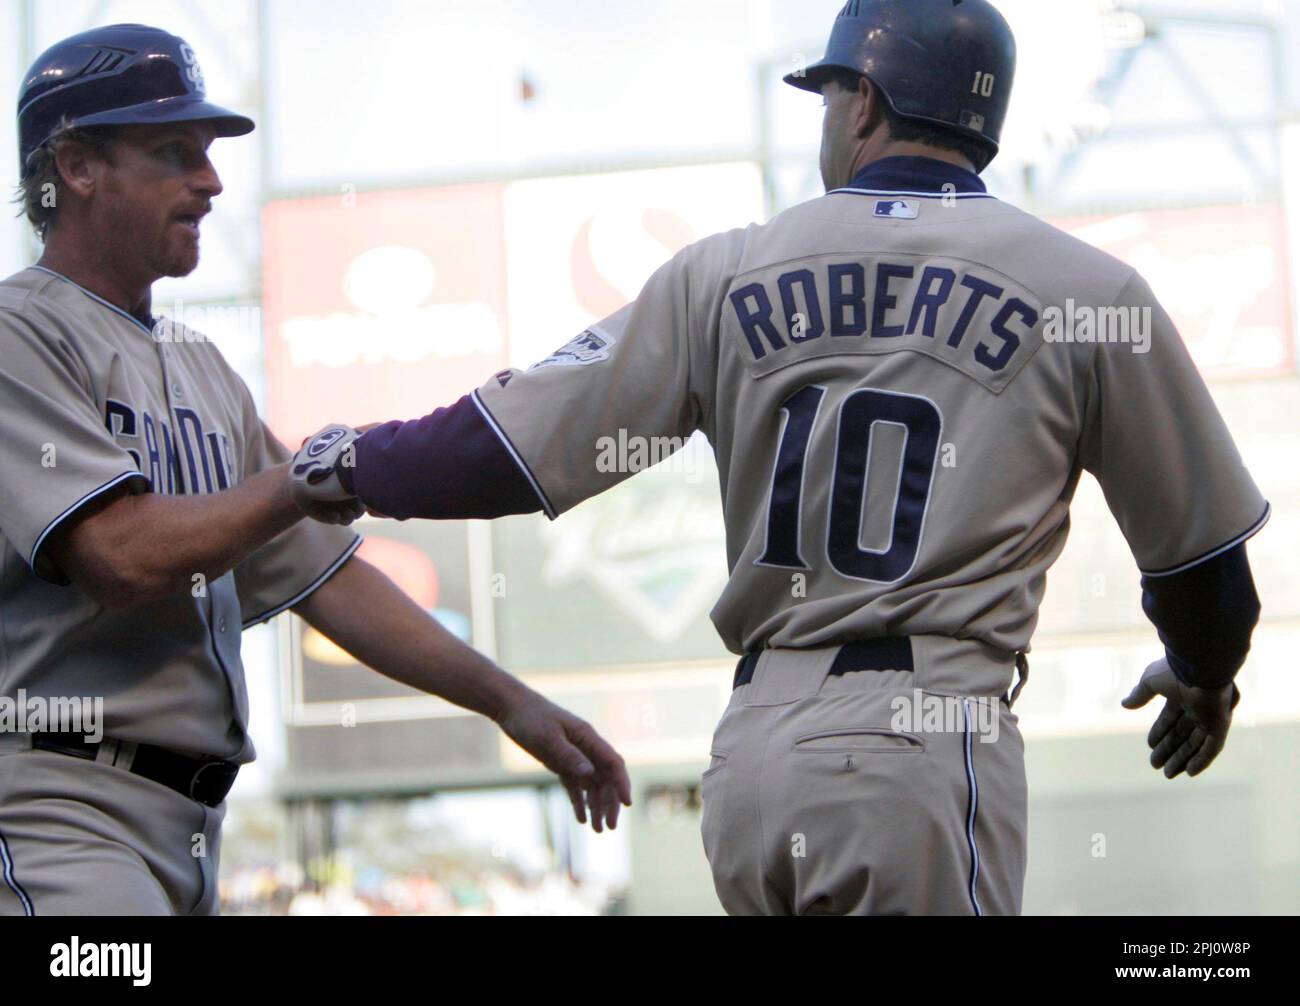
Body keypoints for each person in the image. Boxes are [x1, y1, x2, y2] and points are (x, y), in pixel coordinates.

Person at [290, 0, 1268, 916]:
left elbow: (498, 448)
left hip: (756, 757)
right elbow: (1202, 570)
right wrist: (1203, 673)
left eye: (831, 95)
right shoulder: (1086, 289)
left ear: (867, 102)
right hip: (916, 749)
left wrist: (337, 467)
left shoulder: (724, 271)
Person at [0, 23, 628, 918]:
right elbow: (119, 556)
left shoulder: (198, 366)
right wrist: (299, 477)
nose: (211, 181)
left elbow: (327, 579)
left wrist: (510, 703)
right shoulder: (20, 332)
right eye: (175, 153)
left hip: (185, 829)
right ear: (77, 167)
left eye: (208, 153)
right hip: (58, 807)